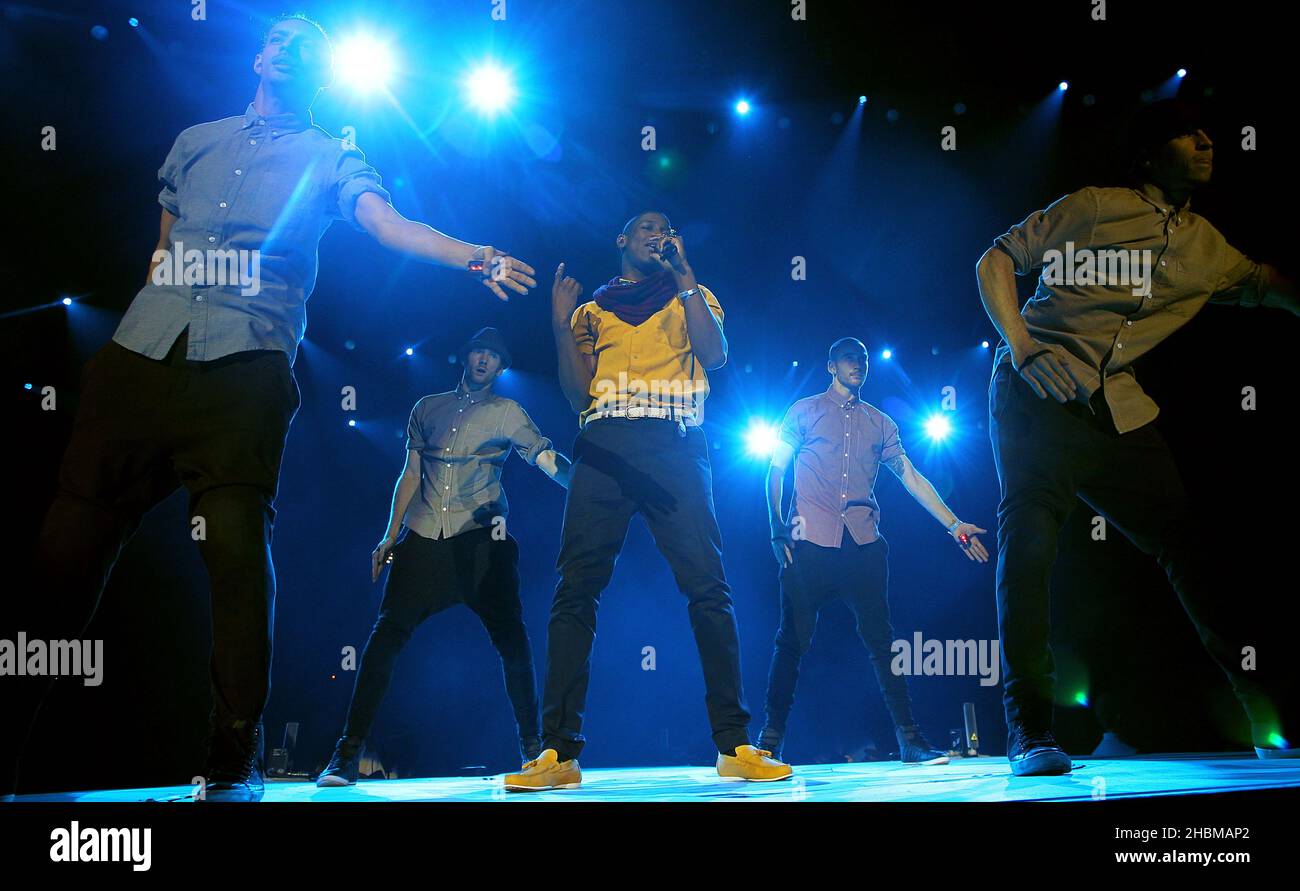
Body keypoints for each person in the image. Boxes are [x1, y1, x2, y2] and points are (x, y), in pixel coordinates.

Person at [8, 14, 537, 802]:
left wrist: (475, 256)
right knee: (63, 557)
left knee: (232, 549)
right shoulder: (195, 140)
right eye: (284, 35)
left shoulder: (333, 155)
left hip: (245, 368)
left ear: (322, 75)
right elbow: (163, 252)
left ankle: (231, 758)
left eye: (314, 44)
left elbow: (386, 225)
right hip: (141, 361)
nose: (296, 44)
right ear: (260, 56)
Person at [975, 99, 1299, 776]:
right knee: (1030, 544)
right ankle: (1030, 730)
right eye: (1189, 134)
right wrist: (1025, 346)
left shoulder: (1206, 245)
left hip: (1118, 409)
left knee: (1187, 544)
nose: (1209, 141)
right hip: (1036, 393)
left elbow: (1259, 285)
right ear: (1151, 153)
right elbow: (997, 259)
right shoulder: (1096, 206)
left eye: (1211, 131)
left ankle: (1266, 711)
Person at [502, 211, 792, 790]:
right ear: (622, 240)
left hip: (674, 442)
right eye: (647, 228)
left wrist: (686, 280)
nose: (659, 235)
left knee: (708, 588)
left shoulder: (694, 294)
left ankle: (734, 745)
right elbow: (578, 393)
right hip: (605, 442)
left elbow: (715, 357)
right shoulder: (591, 310)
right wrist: (560, 326)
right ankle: (558, 755)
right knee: (575, 590)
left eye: (667, 229)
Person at [318, 328, 571, 786]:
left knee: (512, 642)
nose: (484, 360)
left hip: (481, 541)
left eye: (494, 356)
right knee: (383, 642)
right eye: (479, 351)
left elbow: (543, 456)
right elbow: (411, 473)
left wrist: (586, 492)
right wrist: (388, 537)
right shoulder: (427, 408)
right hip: (423, 541)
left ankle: (534, 753)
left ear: (501, 367)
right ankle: (345, 756)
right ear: (466, 355)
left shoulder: (507, 411)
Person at [759, 336, 990, 766]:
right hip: (808, 545)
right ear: (831, 365)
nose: (858, 364)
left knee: (883, 644)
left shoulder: (880, 423)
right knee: (791, 642)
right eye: (849, 357)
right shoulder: (803, 411)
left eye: (863, 359)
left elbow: (912, 477)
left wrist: (955, 525)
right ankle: (769, 742)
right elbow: (776, 470)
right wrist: (775, 526)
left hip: (863, 547)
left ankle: (911, 740)